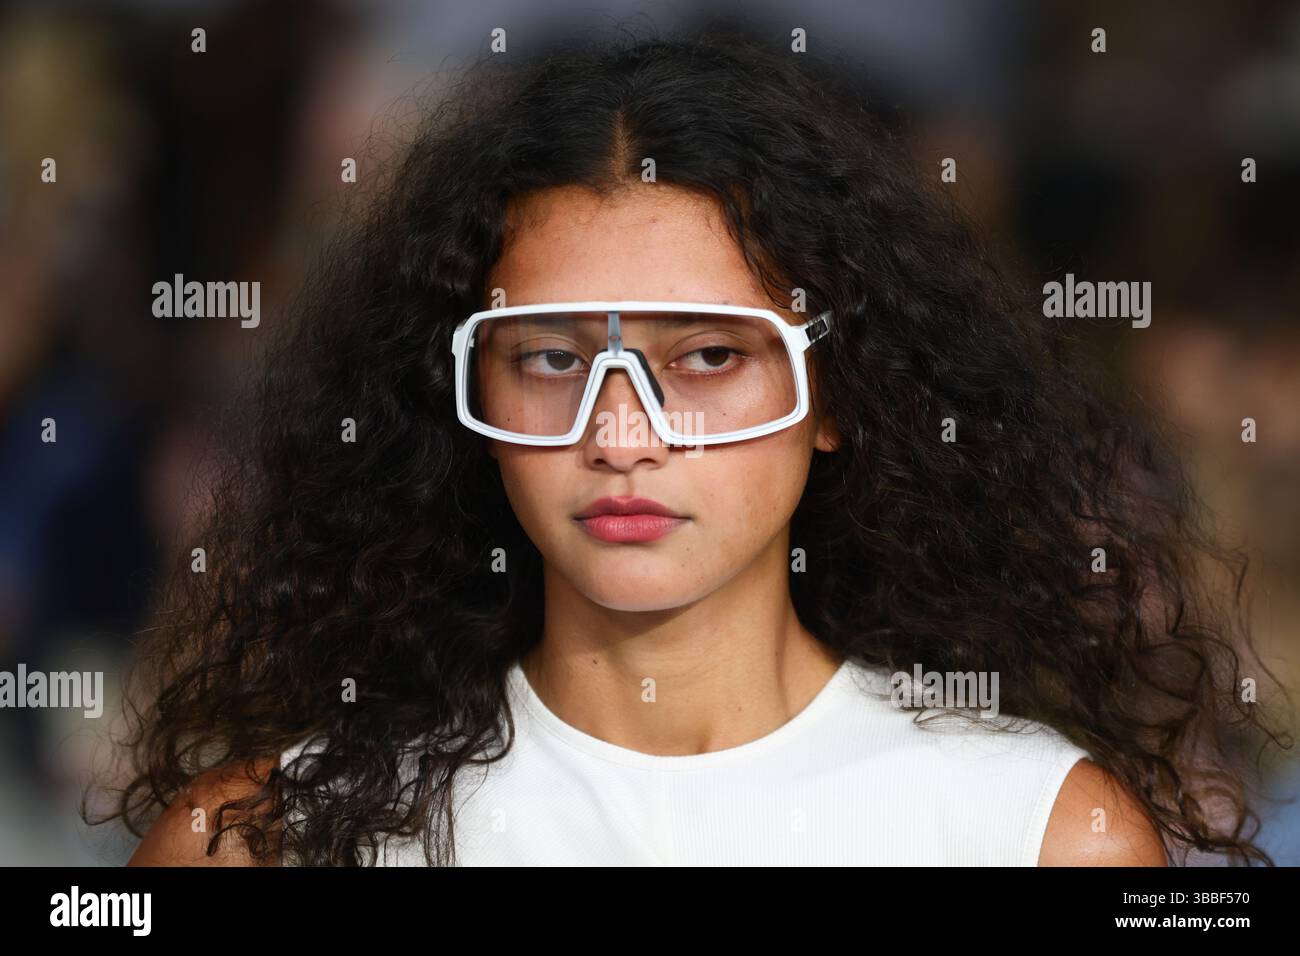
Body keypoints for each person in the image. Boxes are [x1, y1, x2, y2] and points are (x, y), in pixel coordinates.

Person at [102, 27, 1282, 866]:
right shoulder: (257, 840)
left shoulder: (1034, 831)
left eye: (709, 357)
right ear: (462, 387)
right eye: (553, 358)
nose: (623, 434)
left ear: (835, 389)